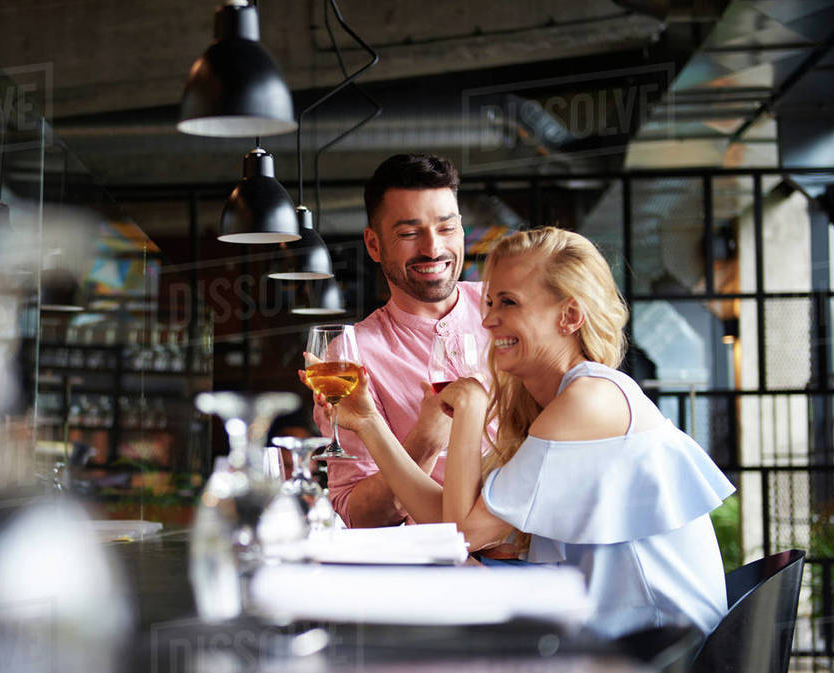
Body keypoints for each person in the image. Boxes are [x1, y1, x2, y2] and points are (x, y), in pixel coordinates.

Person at [322, 227, 731, 638]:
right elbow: (452, 523)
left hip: (662, 651)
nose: (487, 318)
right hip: (624, 631)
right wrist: (369, 423)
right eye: (490, 301)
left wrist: (470, 409)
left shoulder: (587, 399)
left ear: (569, 316)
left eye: (509, 303)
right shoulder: (563, 398)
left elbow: (462, 535)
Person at [312, 153, 490, 528]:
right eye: (409, 233)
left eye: (447, 228)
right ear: (374, 245)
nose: (432, 249)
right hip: (430, 571)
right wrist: (424, 442)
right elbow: (356, 515)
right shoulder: (350, 354)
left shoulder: (505, 307)